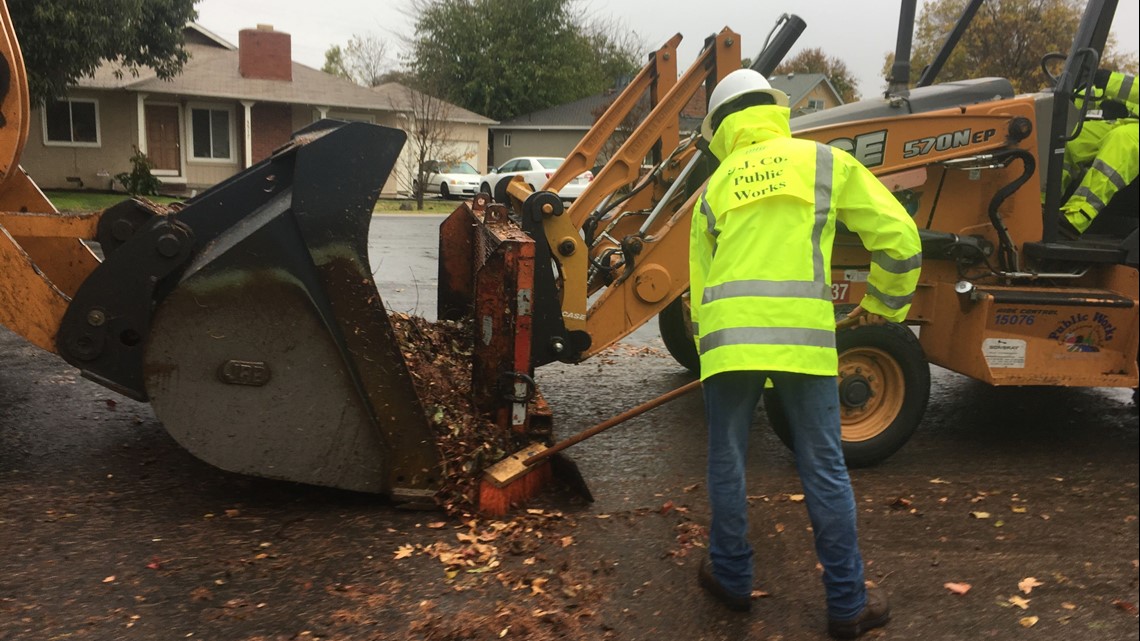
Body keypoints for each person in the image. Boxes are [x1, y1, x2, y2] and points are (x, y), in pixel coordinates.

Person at [690, 69, 922, 639]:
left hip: (728, 344)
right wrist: (884, 310)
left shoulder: (713, 189)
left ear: (720, 126)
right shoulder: (823, 162)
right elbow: (901, 239)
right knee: (823, 466)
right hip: (805, 340)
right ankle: (846, 605)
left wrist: (713, 356)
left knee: (727, 460)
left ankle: (732, 577)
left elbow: (699, 294)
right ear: (774, 107)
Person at [1059, 69, 1138, 237]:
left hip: (1131, 131)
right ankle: (1041, 206)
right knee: (1070, 135)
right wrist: (1071, 94)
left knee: (1121, 140)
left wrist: (1110, 81)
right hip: (1132, 122)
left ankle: (1077, 216)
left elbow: (1129, 88)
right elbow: (1120, 95)